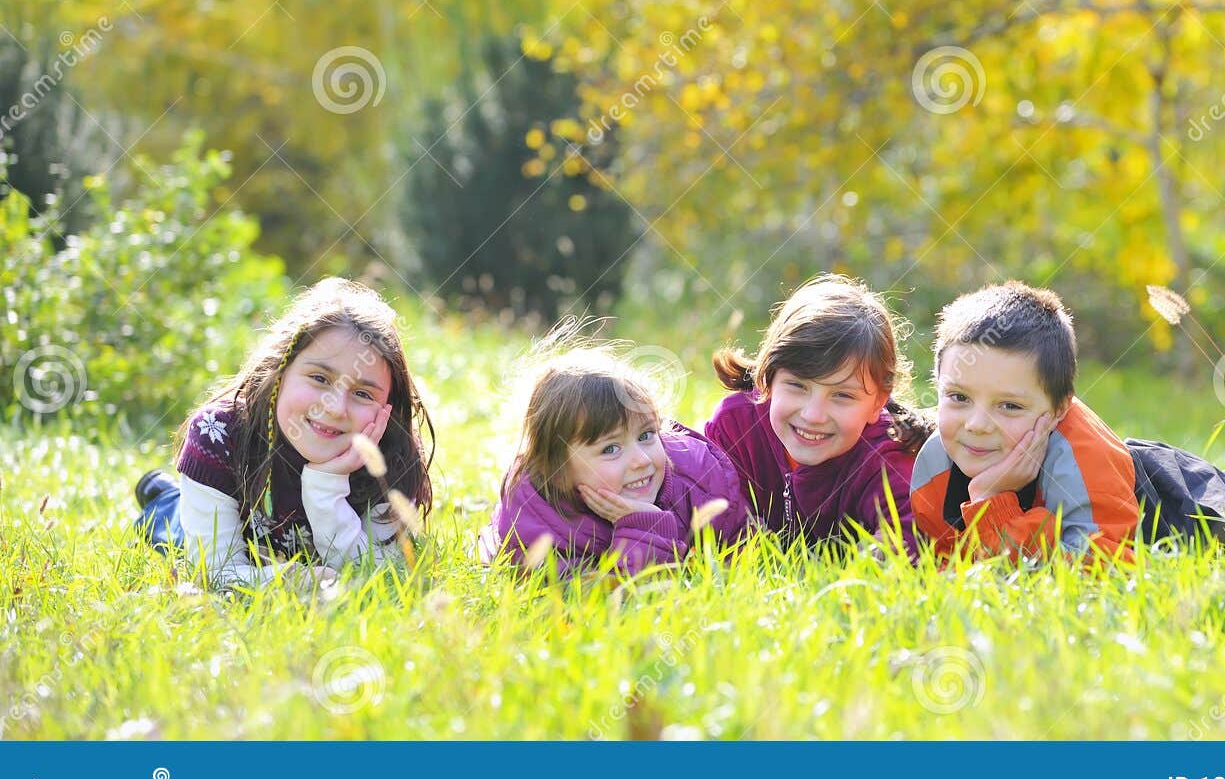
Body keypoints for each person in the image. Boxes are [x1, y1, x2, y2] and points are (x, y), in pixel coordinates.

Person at [911, 281, 1225, 560]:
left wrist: (992, 503)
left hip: (1171, 509)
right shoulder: (935, 465)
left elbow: (1098, 566)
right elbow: (953, 557)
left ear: (1058, 411)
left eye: (1009, 406)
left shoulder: (1076, 458)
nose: (977, 424)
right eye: (958, 397)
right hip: (1140, 479)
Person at [135, 278, 433, 588]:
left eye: (362, 394)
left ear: (388, 407)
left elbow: (378, 574)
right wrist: (295, 580)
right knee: (172, 528)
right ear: (280, 370)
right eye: (320, 378)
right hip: (222, 517)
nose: (334, 408)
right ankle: (164, 498)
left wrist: (325, 489)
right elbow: (216, 573)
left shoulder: (394, 456)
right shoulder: (218, 436)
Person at [705, 274, 931, 552]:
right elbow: (700, 511)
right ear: (767, 377)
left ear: (877, 403)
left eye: (842, 395)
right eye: (798, 386)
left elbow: (910, 536)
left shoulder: (885, 456)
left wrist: (863, 564)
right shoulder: (735, 427)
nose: (814, 415)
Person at [482, 339, 747, 575]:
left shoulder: (700, 480)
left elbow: (747, 551)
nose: (642, 460)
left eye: (646, 435)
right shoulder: (536, 519)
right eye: (610, 449)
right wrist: (645, 526)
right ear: (556, 470)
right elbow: (613, 596)